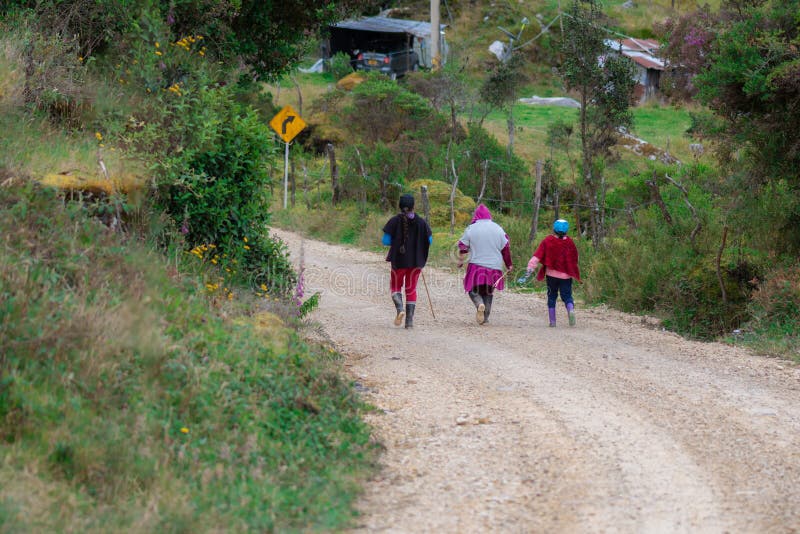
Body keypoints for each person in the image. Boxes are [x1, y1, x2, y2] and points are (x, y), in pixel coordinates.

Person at [382, 194, 432, 328]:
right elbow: (430, 241)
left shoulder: (393, 221)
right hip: (416, 262)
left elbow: (385, 241)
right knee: (411, 289)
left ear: (399, 206)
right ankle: (409, 322)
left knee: (395, 286)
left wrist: (398, 240)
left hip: (399, 262)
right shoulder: (422, 222)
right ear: (413, 206)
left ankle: (400, 309)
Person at [457, 204, 513, 325]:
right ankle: (485, 317)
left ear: (476, 216)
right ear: (489, 215)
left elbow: (463, 246)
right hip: (494, 267)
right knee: (488, 291)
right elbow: (505, 248)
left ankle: (479, 303)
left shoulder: (471, 228)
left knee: (472, 289)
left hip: (476, 265)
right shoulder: (498, 229)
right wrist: (509, 264)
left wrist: (461, 261)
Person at [519, 219, 581, 327]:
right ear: (567, 230)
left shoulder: (548, 241)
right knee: (567, 295)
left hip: (551, 276)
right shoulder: (570, 243)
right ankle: (570, 309)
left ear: (554, 229)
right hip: (566, 276)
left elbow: (537, 255)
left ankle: (552, 321)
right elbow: (575, 258)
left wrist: (530, 269)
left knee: (551, 296)